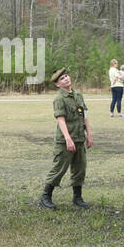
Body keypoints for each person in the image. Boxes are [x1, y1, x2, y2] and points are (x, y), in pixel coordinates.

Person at [40, 66, 93, 210]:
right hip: (65, 140)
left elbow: (84, 115)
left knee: (80, 168)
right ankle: (45, 196)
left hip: (79, 137)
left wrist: (89, 133)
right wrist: (68, 139)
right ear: (58, 84)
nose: (66, 79)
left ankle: (77, 197)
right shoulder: (59, 99)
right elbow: (61, 120)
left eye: (67, 76)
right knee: (59, 168)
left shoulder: (78, 96)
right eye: (62, 78)